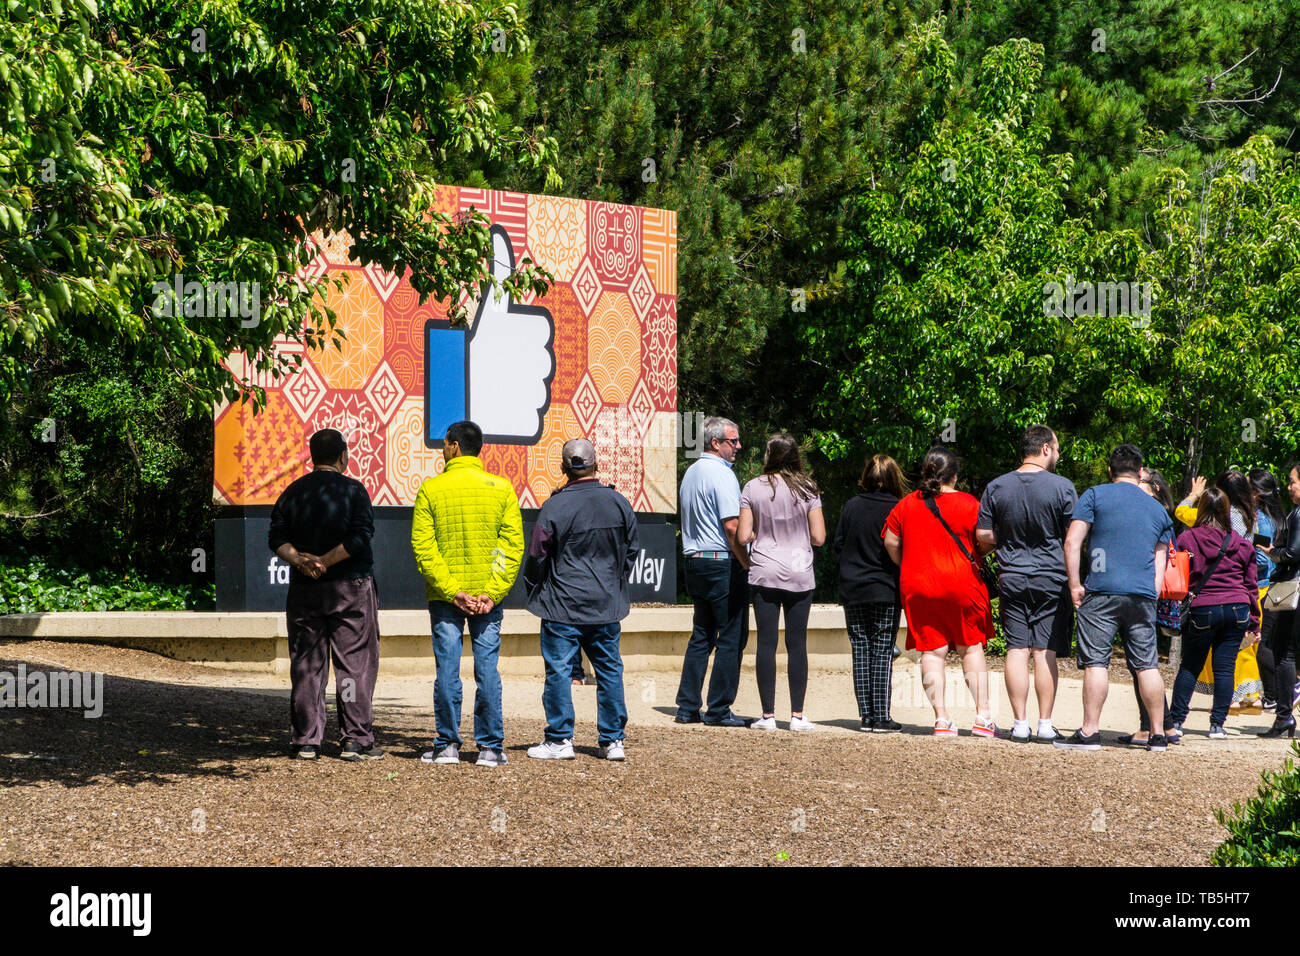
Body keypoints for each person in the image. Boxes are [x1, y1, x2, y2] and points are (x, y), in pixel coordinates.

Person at [411, 420, 524, 767]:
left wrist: (452, 591)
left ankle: (447, 746)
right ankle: (490, 748)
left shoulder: (431, 489)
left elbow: (424, 548)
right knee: (487, 669)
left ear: (455, 445)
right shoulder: (502, 488)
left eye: (444, 443)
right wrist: (492, 592)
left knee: (447, 669)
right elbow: (511, 547)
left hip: (446, 599)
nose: (442, 448)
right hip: (488, 600)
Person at [268, 428, 383, 761]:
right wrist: (326, 562)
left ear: (312, 456)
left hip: (306, 590)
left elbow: (276, 537)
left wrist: (302, 561)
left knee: (307, 663)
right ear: (343, 455)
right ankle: (355, 741)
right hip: (351, 588)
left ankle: (306, 741)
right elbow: (361, 536)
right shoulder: (354, 491)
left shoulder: (293, 492)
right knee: (354, 664)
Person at [523, 439, 639, 761]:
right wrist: (613, 581)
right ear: (596, 465)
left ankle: (560, 739)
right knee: (609, 670)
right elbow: (631, 550)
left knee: (559, 671)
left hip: (562, 606)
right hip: (605, 605)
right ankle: (613, 740)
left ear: (563, 468)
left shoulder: (554, 506)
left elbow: (537, 554)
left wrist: (535, 586)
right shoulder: (618, 502)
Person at [1058, 443, 1174, 751]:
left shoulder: (1095, 495)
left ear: (1110, 471)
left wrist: (1074, 584)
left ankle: (1089, 731)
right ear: (1140, 473)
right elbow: (1160, 560)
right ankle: (1159, 734)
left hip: (1101, 590)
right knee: (1147, 664)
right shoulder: (1157, 509)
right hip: (1142, 596)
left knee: (1097, 662)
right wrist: (1153, 592)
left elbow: (1072, 542)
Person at [882, 446, 997, 738]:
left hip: (919, 584)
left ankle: (942, 719)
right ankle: (982, 717)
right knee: (970, 647)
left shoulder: (906, 504)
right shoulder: (971, 503)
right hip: (962, 583)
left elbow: (891, 543)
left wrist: (909, 564)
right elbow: (985, 540)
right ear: (954, 476)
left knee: (932, 653)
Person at [975, 425, 1077, 743]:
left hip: (1012, 576)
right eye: (1057, 448)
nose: (1058, 455)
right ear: (1045, 448)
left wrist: (1007, 539)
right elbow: (1074, 537)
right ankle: (1045, 724)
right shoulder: (1062, 488)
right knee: (1043, 650)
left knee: (1016, 650)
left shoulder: (997, 487)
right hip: (1050, 577)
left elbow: (983, 536)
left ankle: (1020, 724)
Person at [738, 433, 825, 731]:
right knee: (797, 643)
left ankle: (768, 716)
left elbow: (742, 536)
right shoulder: (808, 488)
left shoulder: (752, 487)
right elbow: (819, 537)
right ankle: (798, 716)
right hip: (800, 572)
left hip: (764, 571)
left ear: (769, 456)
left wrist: (760, 532)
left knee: (766, 642)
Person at [674, 416, 752, 727]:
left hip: (695, 560)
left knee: (701, 636)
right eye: (733, 441)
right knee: (732, 635)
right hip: (721, 561)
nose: (738, 446)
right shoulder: (722, 474)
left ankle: (687, 706)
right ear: (715, 443)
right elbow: (731, 526)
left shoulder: (691, 472)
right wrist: (746, 562)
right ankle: (719, 709)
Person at [1166, 488, 1260, 738]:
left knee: (1190, 666)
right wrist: (1254, 623)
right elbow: (1251, 586)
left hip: (1202, 609)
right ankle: (1217, 725)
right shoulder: (1242, 544)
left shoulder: (1188, 539)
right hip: (1237, 608)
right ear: (1227, 512)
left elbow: (1178, 577)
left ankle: (1176, 721)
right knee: (1225, 668)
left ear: (1202, 510)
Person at [834, 454, 907, 732]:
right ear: (893, 477)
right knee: (883, 650)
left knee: (860, 649)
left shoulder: (852, 505)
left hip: (853, 587)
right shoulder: (899, 507)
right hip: (885, 587)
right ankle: (881, 716)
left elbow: (838, 546)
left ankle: (866, 716)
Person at [1119, 471, 1180, 746]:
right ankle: (1164, 726)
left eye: (1139, 482)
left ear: (1154, 488)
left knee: (1142, 664)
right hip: (1153, 595)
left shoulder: (1152, 515)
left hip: (1148, 594)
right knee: (1144, 663)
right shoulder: (1160, 513)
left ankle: (1149, 726)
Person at [1259, 462, 1300, 738]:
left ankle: (1284, 715)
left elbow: (1293, 553)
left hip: (1293, 589)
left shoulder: (1298, 513)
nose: (1288, 487)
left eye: (1292, 481)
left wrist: (1273, 552)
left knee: (1282, 650)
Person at [1249, 468, 1284, 712]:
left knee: (1262, 646)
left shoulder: (1261, 520)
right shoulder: (1276, 516)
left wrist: (1240, 557)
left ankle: (1272, 695)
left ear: (1256, 494)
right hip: (1274, 587)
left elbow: (1263, 559)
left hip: (1263, 587)